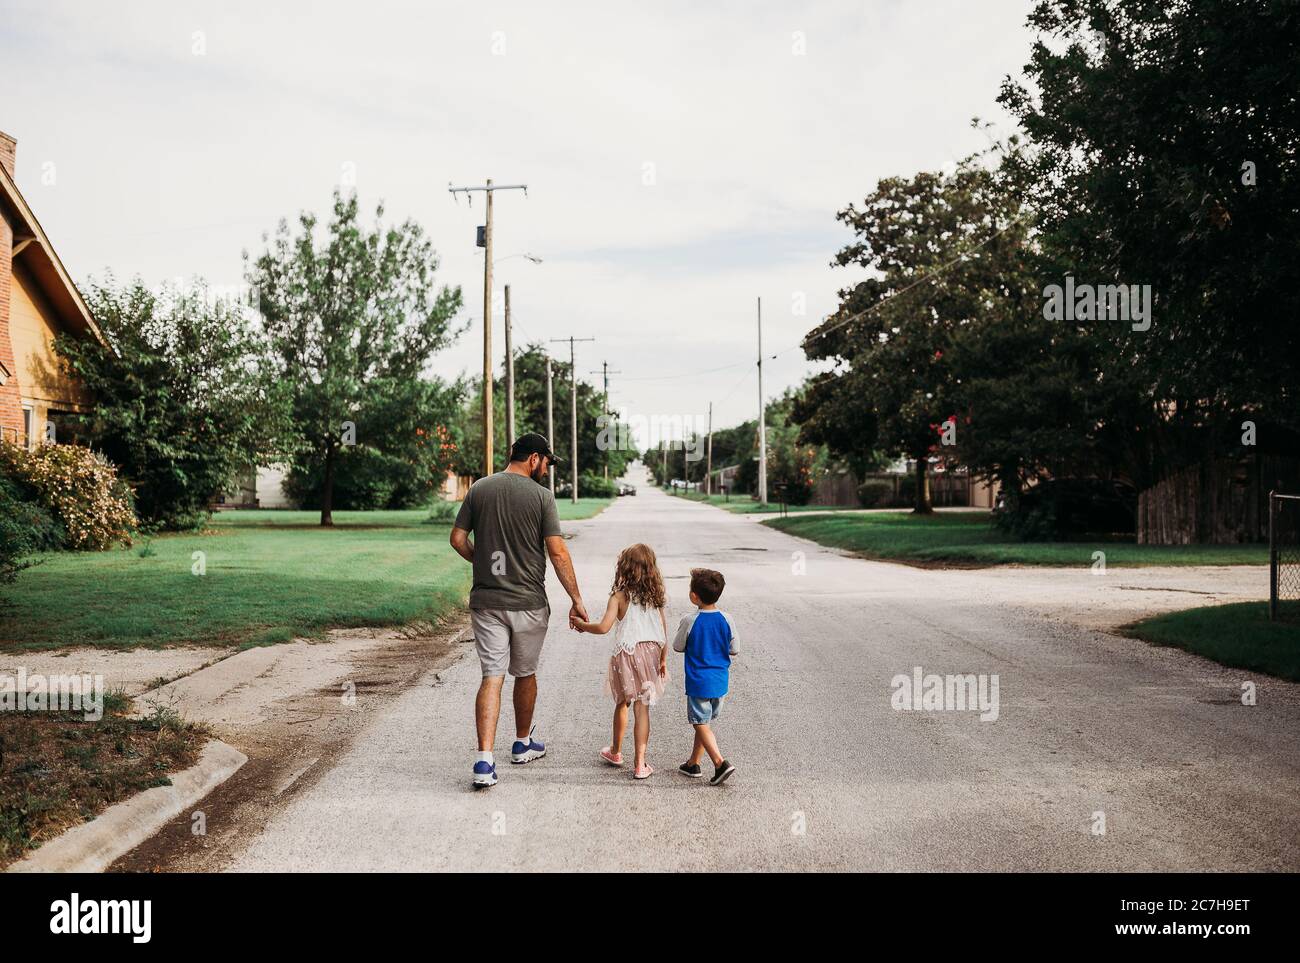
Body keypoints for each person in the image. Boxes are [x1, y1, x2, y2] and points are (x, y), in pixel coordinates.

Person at [450, 433, 588, 789]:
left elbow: (457, 540)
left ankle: (484, 760)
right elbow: (557, 552)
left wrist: (481, 561)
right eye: (546, 463)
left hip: (487, 602)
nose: (547, 470)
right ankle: (522, 743)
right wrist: (576, 599)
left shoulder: (480, 488)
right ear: (534, 459)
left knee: (491, 676)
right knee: (525, 673)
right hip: (528, 603)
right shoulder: (542, 498)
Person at [570, 544, 669, 780]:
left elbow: (604, 627)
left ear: (624, 568)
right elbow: (662, 631)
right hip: (652, 652)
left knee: (623, 701)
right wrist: (663, 660)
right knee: (642, 707)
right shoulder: (656, 597)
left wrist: (582, 625)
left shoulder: (619, 597)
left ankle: (615, 751)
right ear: (651, 570)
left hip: (626, 654)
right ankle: (640, 764)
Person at [671, 568, 737, 785]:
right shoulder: (727, 619)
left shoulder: (690, 620)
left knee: (699, 722)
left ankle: (720, 763)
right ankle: (693, 764)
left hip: (699, 681)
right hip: (720, 681)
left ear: (693, 596)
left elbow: (678, 646)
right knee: (705, 722)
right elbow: (734, 649)